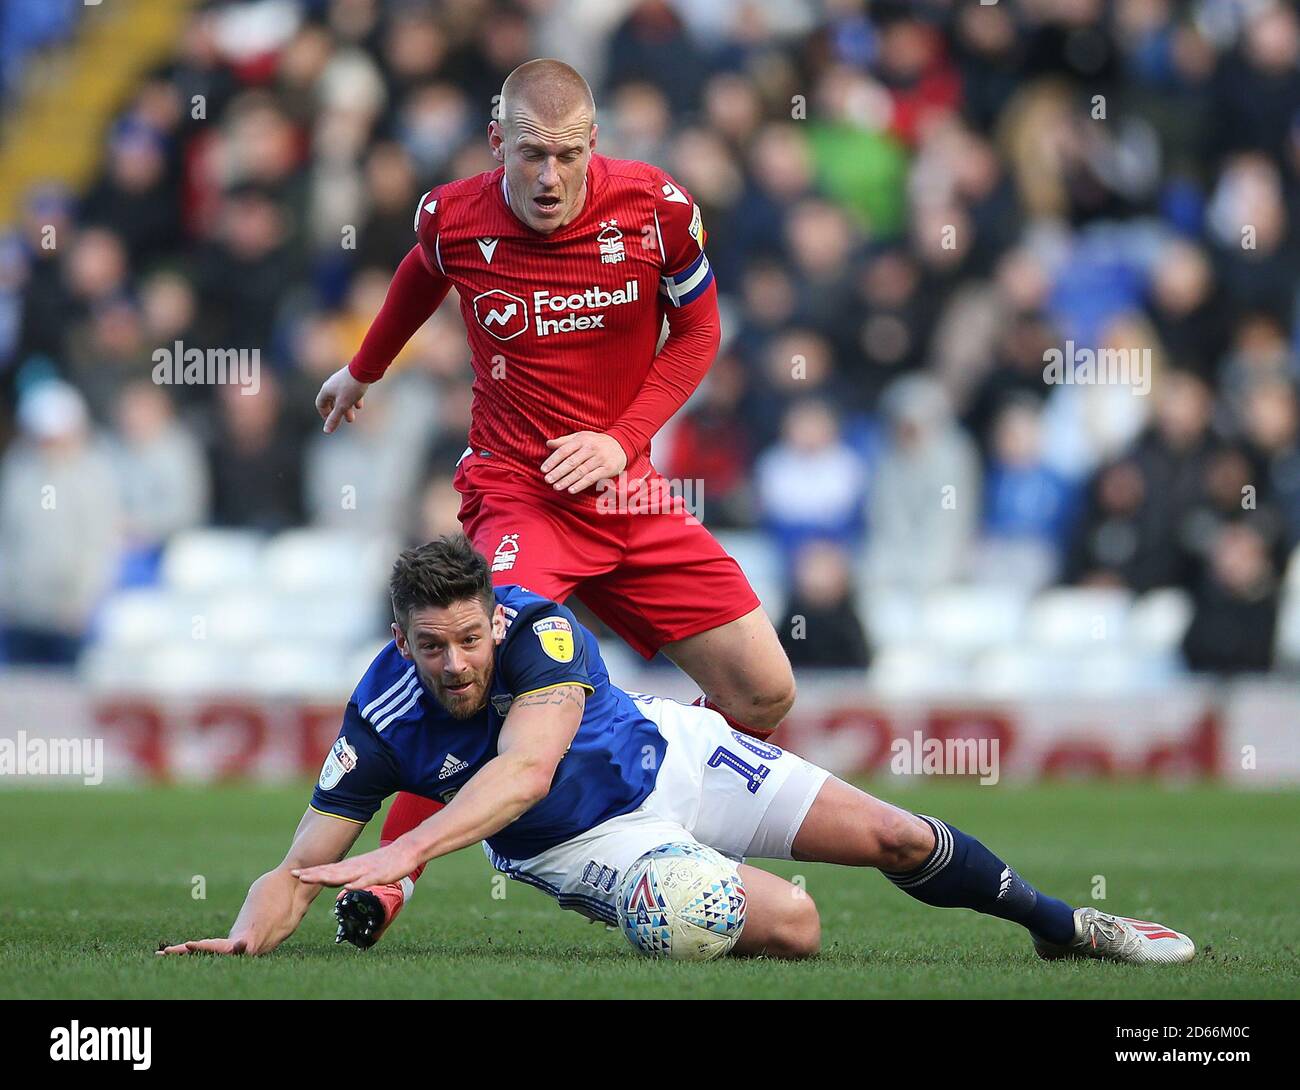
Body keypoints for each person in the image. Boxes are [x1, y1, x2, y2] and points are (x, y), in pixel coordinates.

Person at [159, 536, 1194, 965]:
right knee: (795, 925)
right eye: (433, 647)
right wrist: (250, 937)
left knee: (888, 831)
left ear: (494, 618)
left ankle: (1061, 927)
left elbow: (522, 765)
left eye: (471, 638)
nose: (459, 662)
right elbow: (300, 863)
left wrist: (405, 855)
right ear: (401, 640)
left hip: (674, 752)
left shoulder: (541, 629)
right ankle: (682, 903)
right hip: (582, 847)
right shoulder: (381, 716)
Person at [311, 58, 796, 940]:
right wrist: (363, 368)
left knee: (765, 692)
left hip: (627, 490)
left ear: (592, 144)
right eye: (531, 153)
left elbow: (699, 330)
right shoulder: (451, 216)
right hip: (517, 492)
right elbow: (424, 274)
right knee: (471, 672)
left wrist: (621, 437)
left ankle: (655, 797)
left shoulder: (659, 210)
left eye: (568, 155)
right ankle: (393, 876)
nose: (548, 176)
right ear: (498, 143)